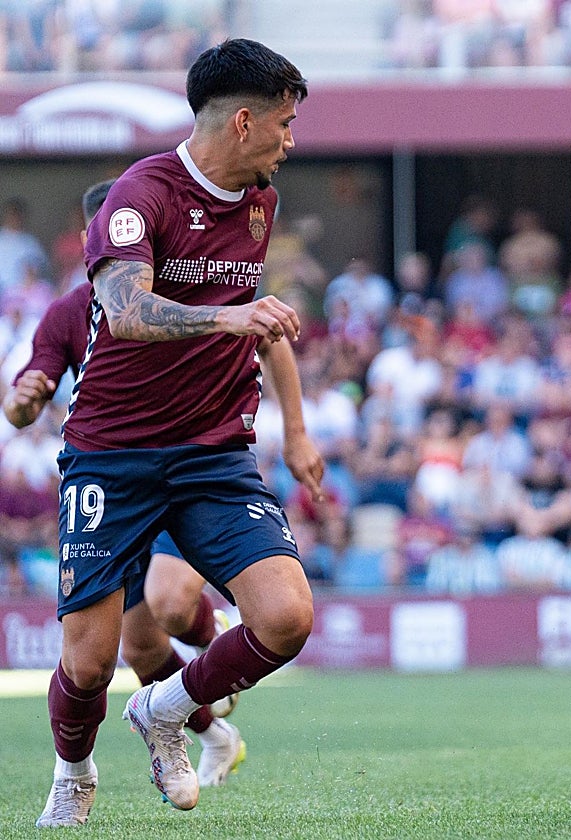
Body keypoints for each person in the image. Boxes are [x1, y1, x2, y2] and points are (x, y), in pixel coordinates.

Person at [34, 39, 314, 827]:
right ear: (244, 122)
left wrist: (293, 428)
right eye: (286, 126)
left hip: (212, 452)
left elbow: (263, 324)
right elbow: (125, 312)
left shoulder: (260, 199)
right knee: (87, 664)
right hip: (111, 455)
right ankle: (74, 772)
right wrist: (232, 315)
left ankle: (164, 710)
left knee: (288, 617)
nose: (292, 142)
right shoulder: (139, 197)